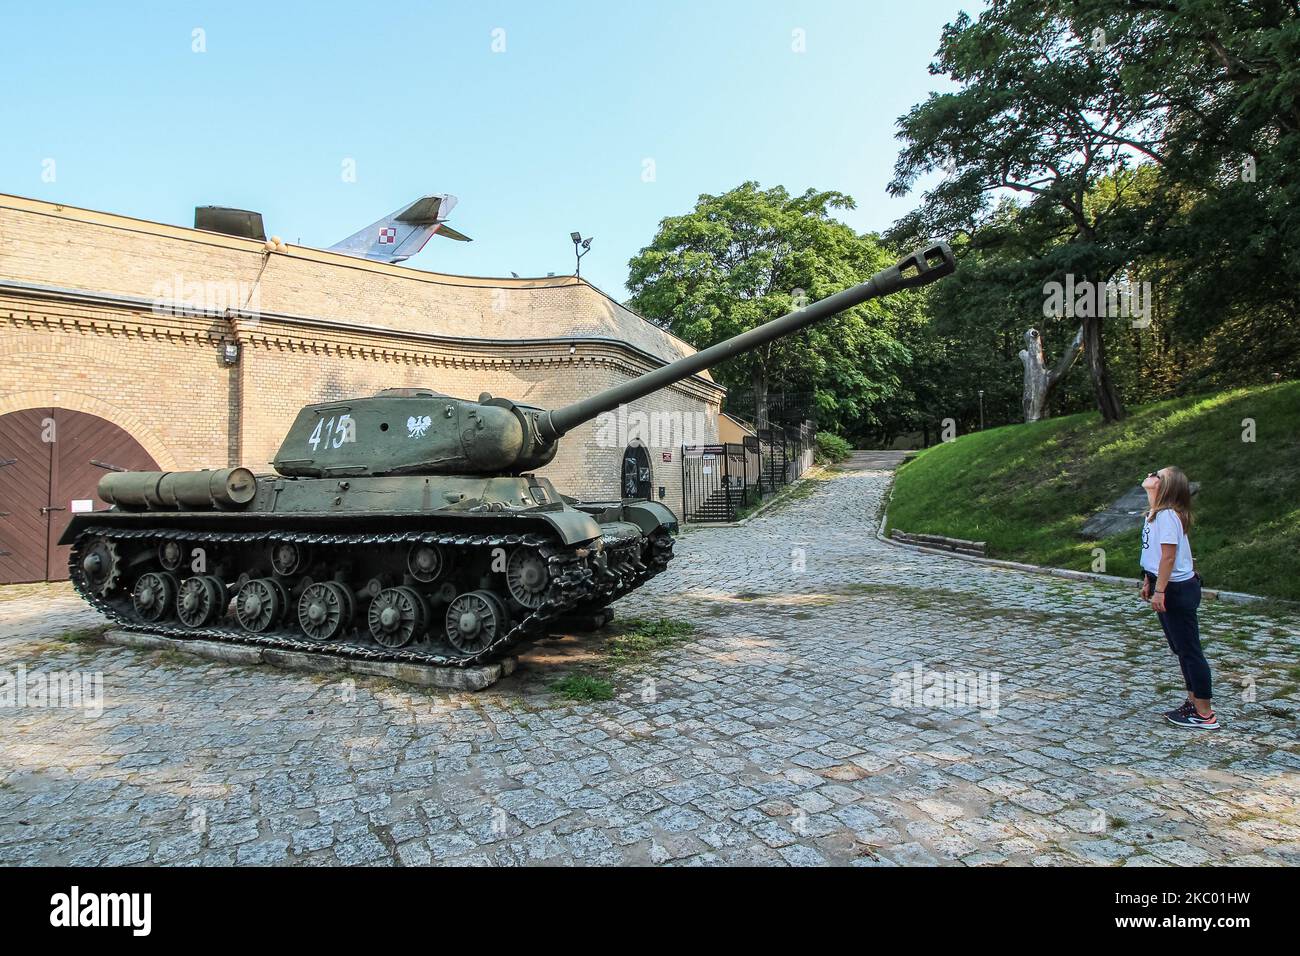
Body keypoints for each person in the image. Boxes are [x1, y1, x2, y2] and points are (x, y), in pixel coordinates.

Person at [1139, 466, 1216, 729]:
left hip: (1177, 589)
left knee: (1190, 650)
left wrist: (1160, 590)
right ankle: (1193, 701)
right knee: (1181, 649)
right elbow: (1155, 554)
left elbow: (1169, 556)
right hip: (1165, 584)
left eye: (1157, 475)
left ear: (1165, 486)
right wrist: (1149, 579)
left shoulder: (1168, 516)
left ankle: (1205, 714)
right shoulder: (1155, 514)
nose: (1151, 475)